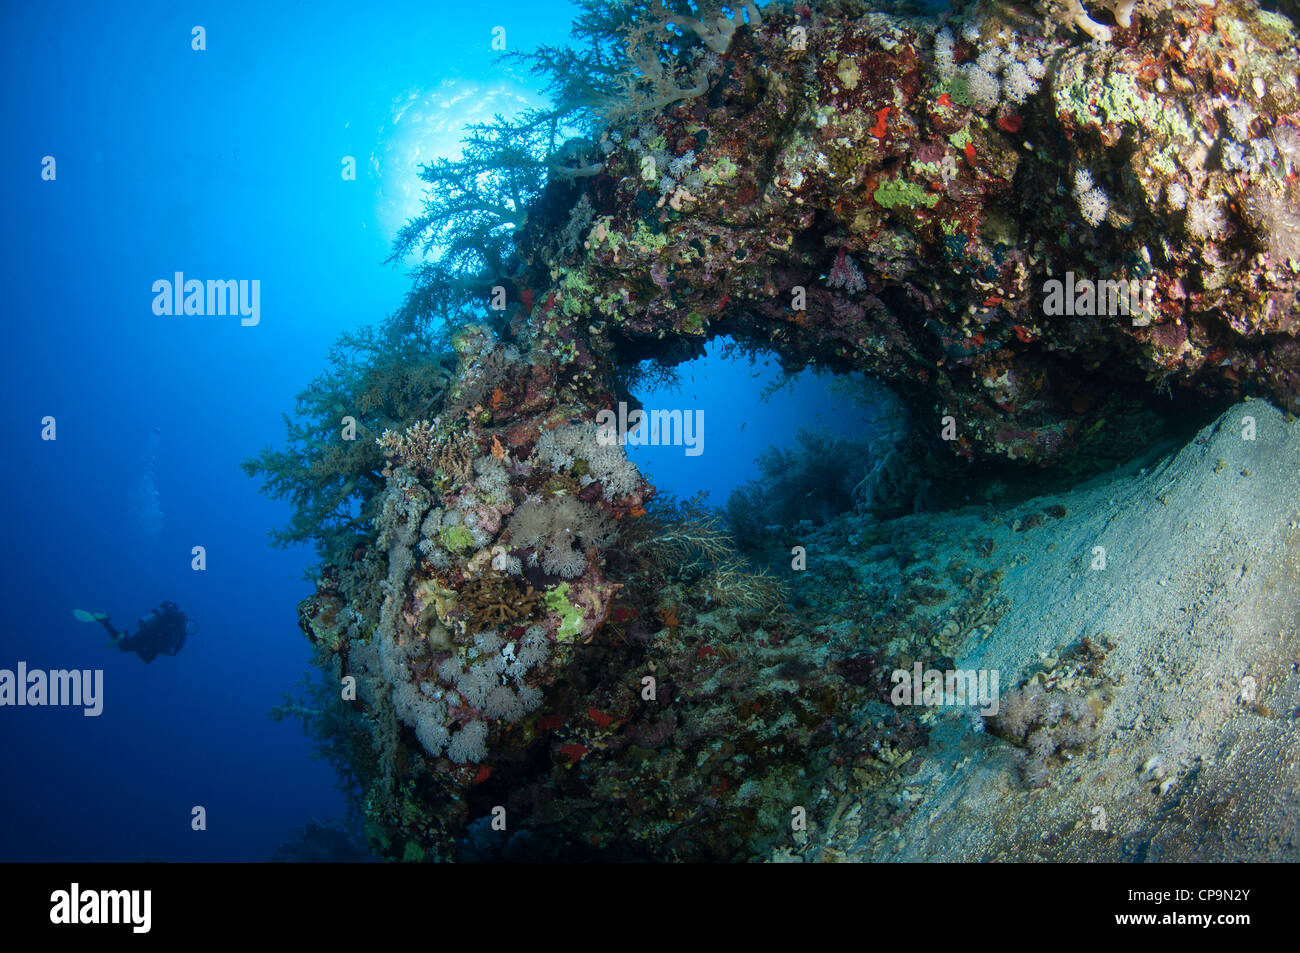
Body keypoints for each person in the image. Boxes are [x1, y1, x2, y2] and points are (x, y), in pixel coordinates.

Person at [73, 601, 196, 663]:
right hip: (153, 642)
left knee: (127, 647)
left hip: (148, 634)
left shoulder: (172, 619)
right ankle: (106, 621)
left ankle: (113, 628)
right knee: (127, 648)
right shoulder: (181, 634)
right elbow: (173, 653)